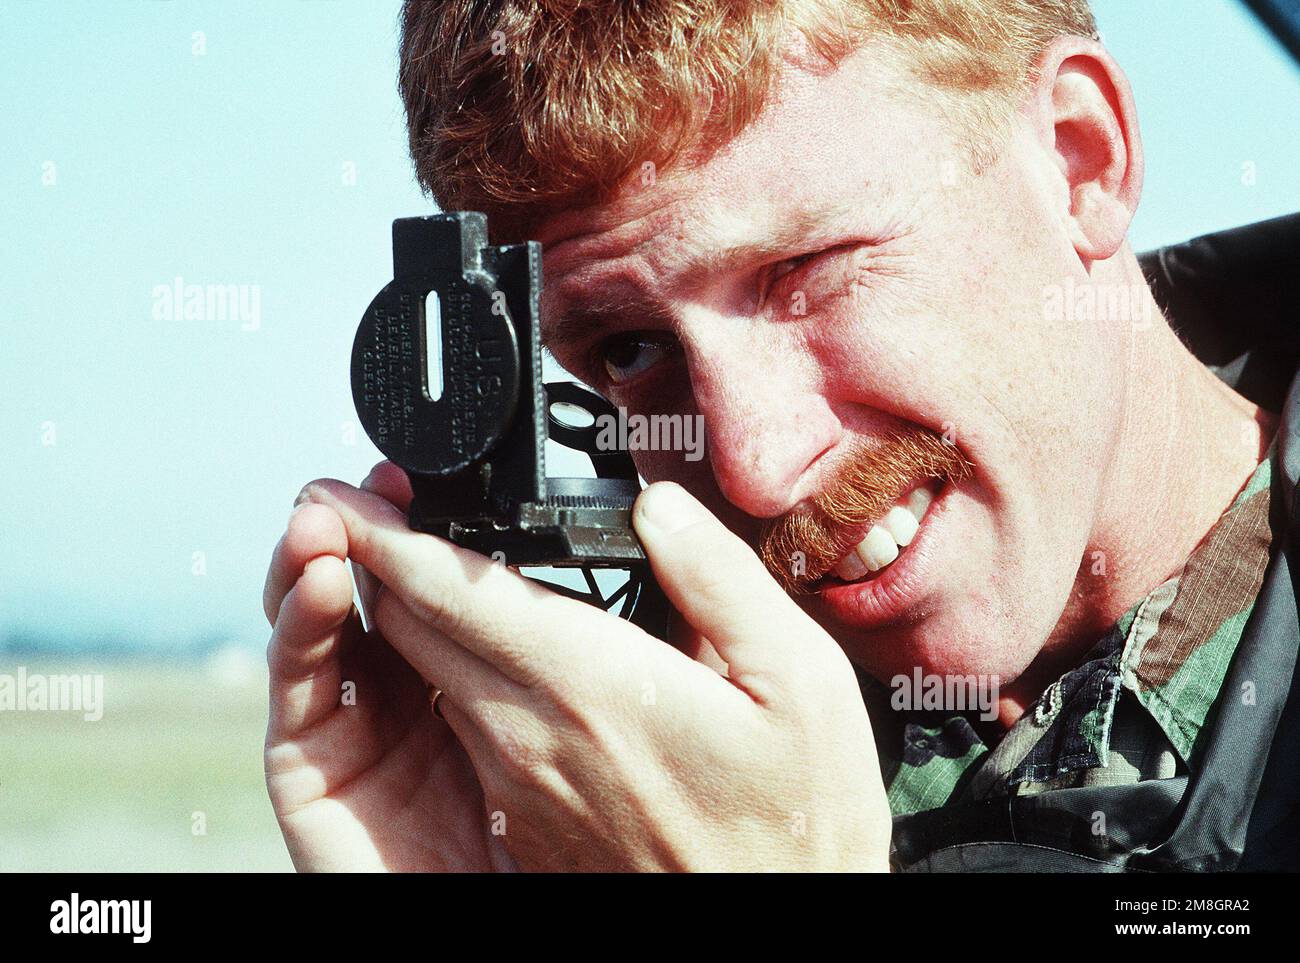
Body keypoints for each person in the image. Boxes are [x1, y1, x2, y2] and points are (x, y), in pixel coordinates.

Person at [261, 0, 1299, 871]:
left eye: (805, 271)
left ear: (1080, 160)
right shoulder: (642, 764)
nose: (754, 469)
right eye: (628, 349)